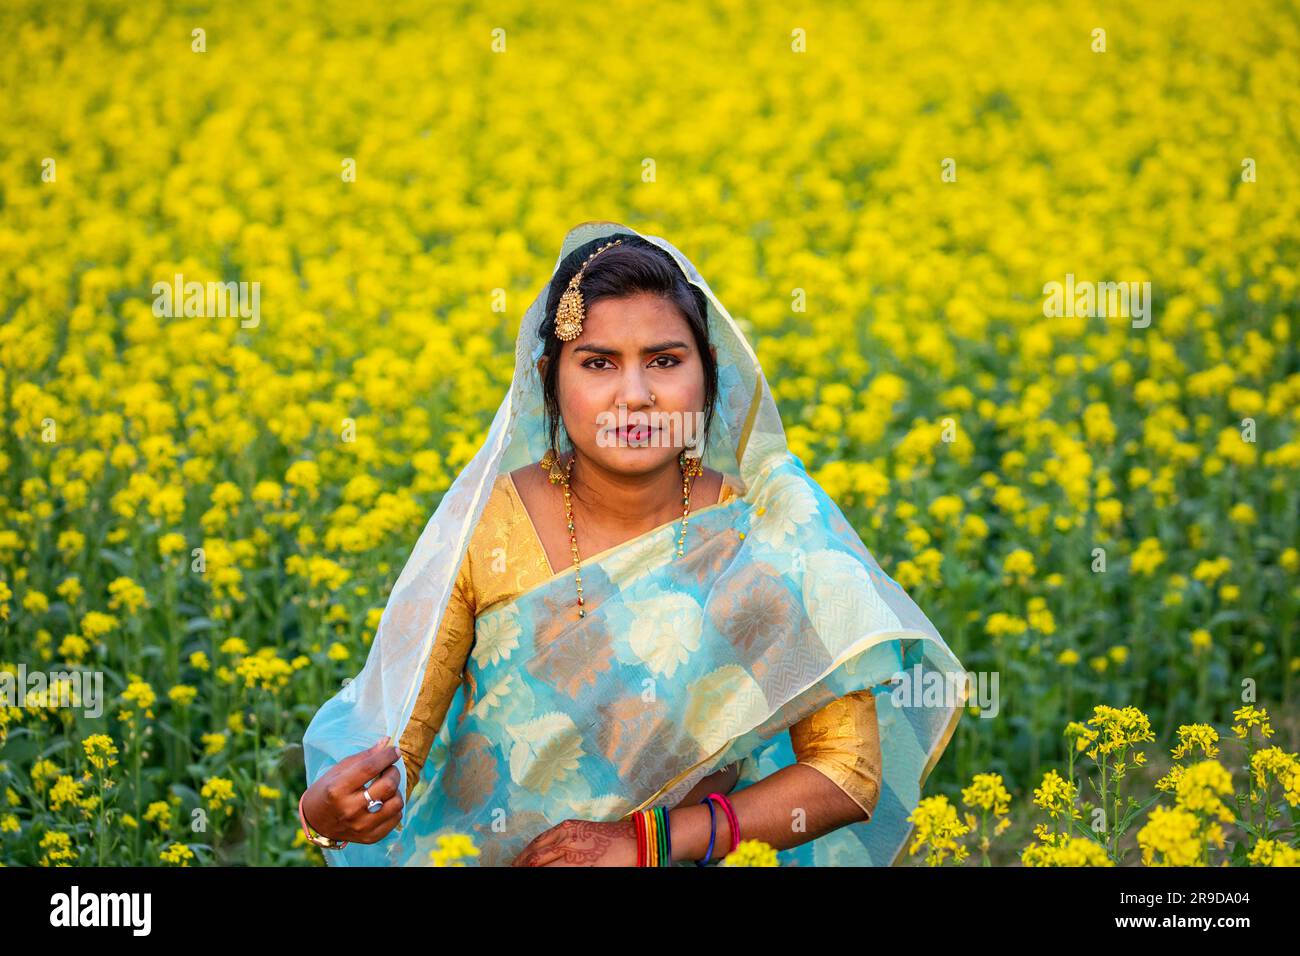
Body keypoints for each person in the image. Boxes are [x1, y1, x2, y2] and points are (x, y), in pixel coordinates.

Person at [299, 222, 967, 866]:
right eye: (598, 363)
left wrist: (646, 843)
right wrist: (330, 818)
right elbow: (395, 757)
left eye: (665, 361)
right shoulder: (489, 526)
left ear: (708, 375)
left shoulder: (771, 528)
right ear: (550, 378)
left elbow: (846, 775)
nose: (636, 395)